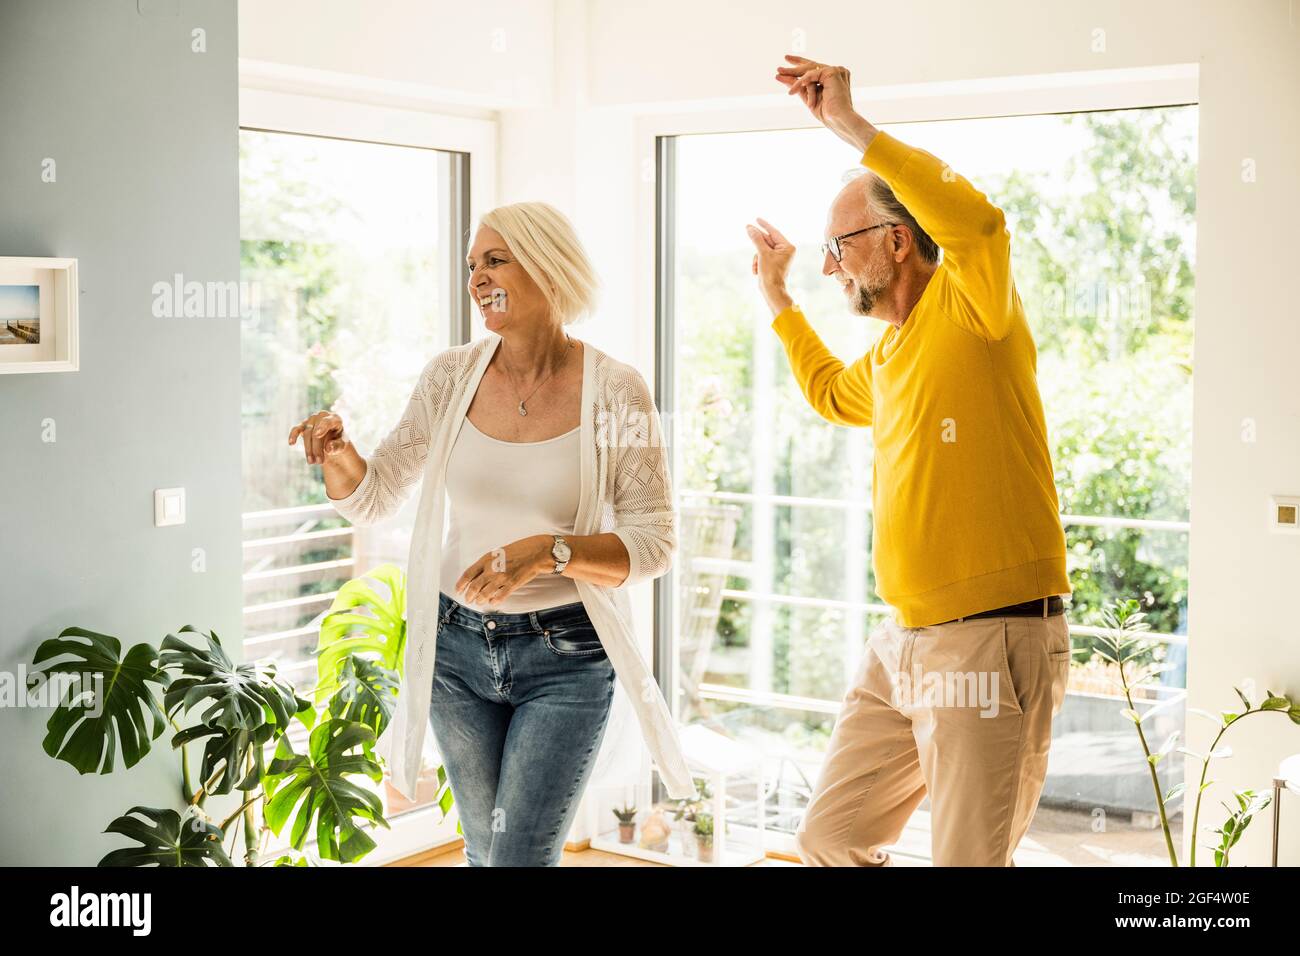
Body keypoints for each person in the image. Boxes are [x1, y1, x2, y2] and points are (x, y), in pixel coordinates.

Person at [289, 201, 695, 866]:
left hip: (565, 659)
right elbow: (376, 494)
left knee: (517, 858)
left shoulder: (615, 390)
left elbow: (654, 543)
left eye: (494, 260)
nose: (476, 278)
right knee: (485, 854)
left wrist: (546, 553)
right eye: (472, 265)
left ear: (546, 266)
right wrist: (338, 452)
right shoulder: (451, 377)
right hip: (456, 654)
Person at [747, 55, 1073, 867]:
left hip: (991, 637)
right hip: (905, 642)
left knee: (968, 859)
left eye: (841, 246)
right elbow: (827, 393)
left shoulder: (973, 309)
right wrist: (779, 300)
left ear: (897, 240)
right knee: (832, 837)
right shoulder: (891, 354)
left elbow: (979, 225)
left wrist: (853, 130)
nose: (833, 266)